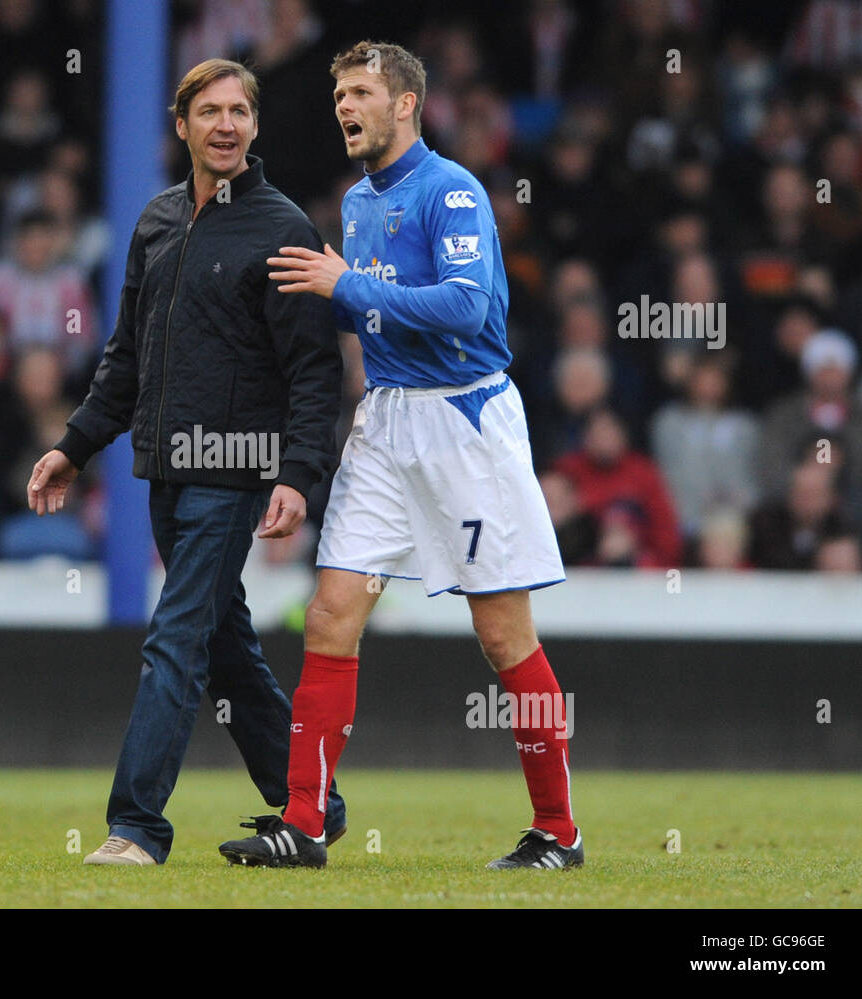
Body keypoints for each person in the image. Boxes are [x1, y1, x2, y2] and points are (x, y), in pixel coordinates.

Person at [218, 41, 581, 870]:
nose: (344, 107)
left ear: (406, 103)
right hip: (384, 422)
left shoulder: (451, 190)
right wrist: (293, 301)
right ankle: (303, 822)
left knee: (502, 636)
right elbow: (374, 310)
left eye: (360, 93)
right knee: (330, 613)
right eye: (339, 93)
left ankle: (558, 830)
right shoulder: (356, 203)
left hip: (465, 422)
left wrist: (344, 286)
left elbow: (463, 306)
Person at [27, 59, 344, 866]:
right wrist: (74, 445)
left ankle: (136, 826)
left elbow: (313, 368)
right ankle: (314, 797)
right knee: (221, 640)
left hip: (236, 471)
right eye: (211, 111)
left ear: (256, 126)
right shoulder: (157, 221)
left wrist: (297, 474)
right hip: (163, 471)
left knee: (175, 638)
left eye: (240, 110)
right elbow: (126, 355)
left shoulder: (283, 228)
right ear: (183, 125)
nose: (227, 124)